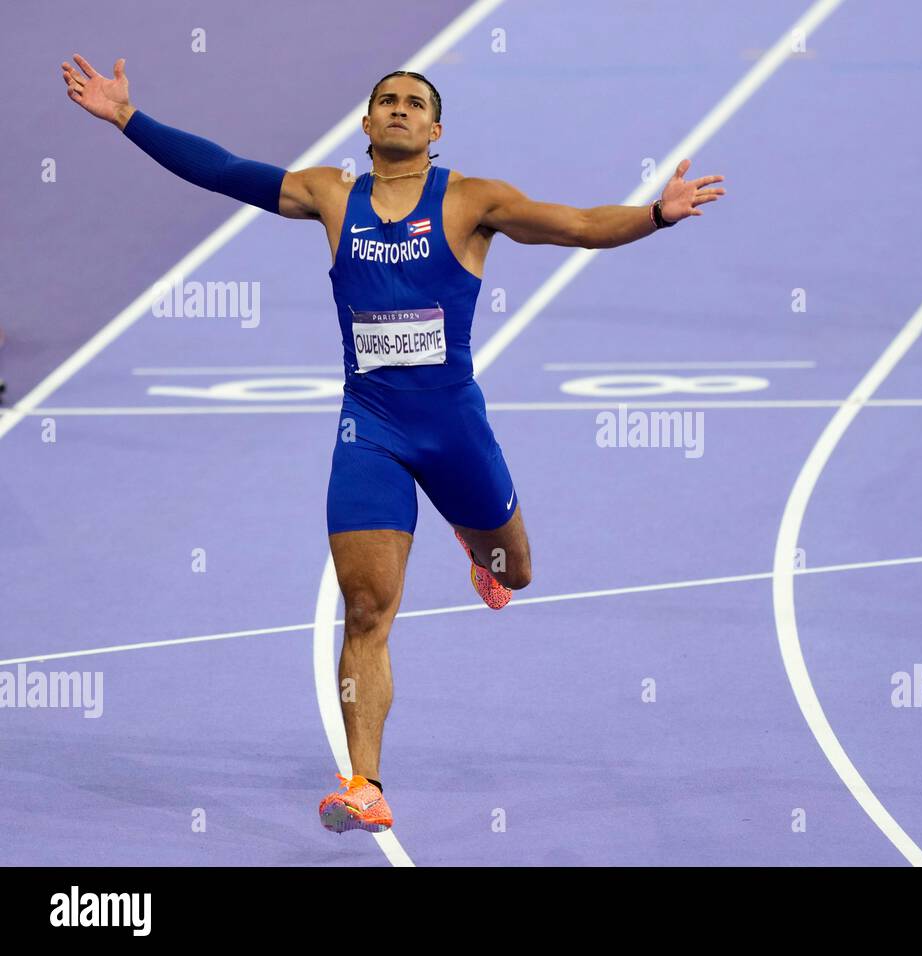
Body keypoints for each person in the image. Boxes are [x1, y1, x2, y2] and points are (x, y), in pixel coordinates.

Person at [61, 55, 726, 834]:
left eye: (416, 102)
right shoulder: (330, 195)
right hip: (369, 430)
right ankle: (366, 784)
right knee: (367, 606)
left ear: (436, 129)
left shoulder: (474, 201)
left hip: (453, 430)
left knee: (519, 568)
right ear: (367, 125)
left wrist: (655, 213)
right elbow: (225, 172)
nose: (401, 109)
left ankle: (480, 551)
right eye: (387, 101)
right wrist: (128, 119)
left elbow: (578, 226)